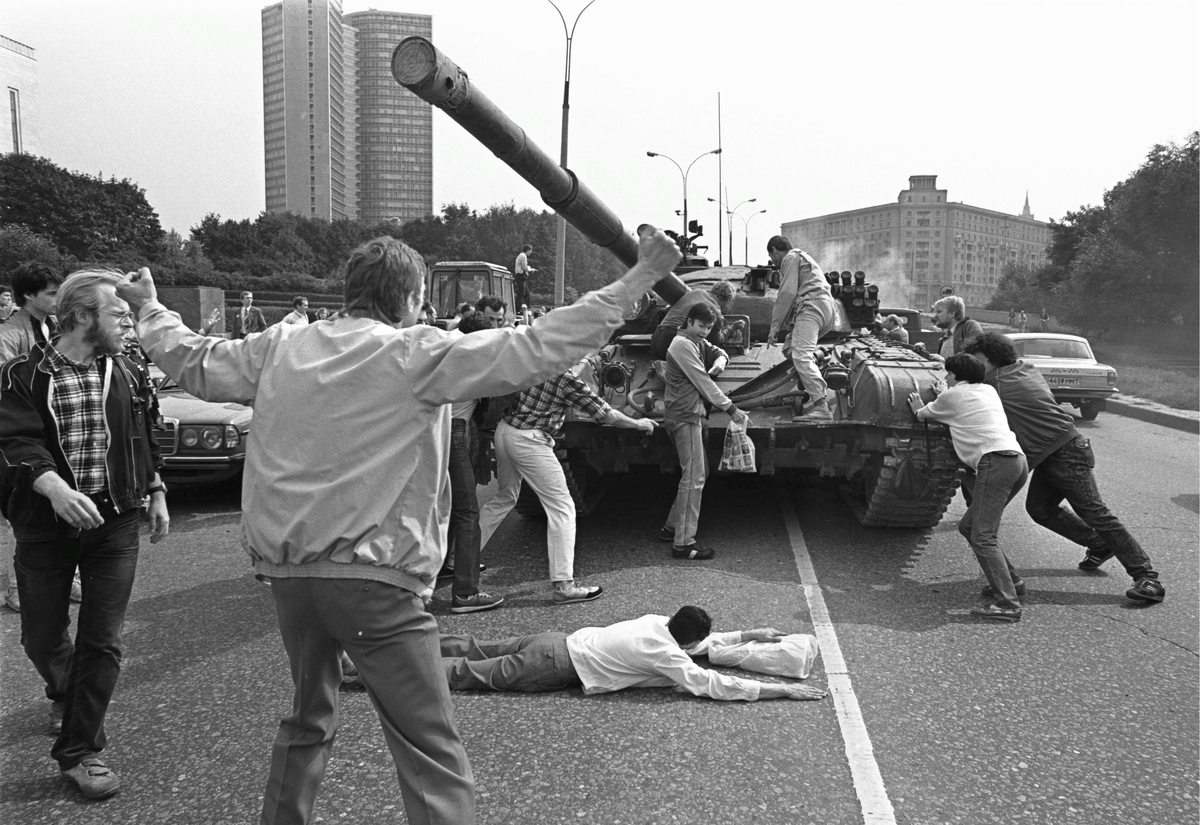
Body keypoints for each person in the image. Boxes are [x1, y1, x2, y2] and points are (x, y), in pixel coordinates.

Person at [116, 227, 684, 825]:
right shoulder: (414, 353)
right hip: (374, 583)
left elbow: (194, 360)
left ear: (351, 290)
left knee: (309, 719)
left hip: (288, 575)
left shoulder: (278, 346)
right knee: (431, 751)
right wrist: (639, 276)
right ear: (411, 296)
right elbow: (538, 346)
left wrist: (150, 305)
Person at [0, 269, 169, 800]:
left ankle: (79, 751)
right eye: (119, 313)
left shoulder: (130, 369)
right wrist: (52, 488)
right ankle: (66, 693)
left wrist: (157, 488)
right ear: (80, 317)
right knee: (42, 636)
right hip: (46, 523)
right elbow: (16, 439)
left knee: (103, 641)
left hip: (114, 522)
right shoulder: (21, 375)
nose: (128, 322)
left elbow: (145, 432)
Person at [962, 332, 1166, 604]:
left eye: (977, 361)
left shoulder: (996, 384)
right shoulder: (1024, 369)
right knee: (1040, 509)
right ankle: (1098, 544)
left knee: (1095, 512)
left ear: (994, 360)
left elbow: (967, 394)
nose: (974, 367)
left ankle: (1147, 577)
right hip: (1054, 450)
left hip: (1065, 451)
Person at [478, 364, 656, 605]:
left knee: (505, 497)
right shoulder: (564, 377)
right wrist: (639, 424)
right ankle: (564, 586)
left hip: (506, 430)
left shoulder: (530, 360)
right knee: (562, 509)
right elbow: (606, 414)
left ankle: (458, 559)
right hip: (530, 440)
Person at [440, 605, 827, 702]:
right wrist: (779, 690)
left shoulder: (658, 622)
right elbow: (710, 683)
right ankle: (390, 671)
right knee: (467, 675)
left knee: (473, 647)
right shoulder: (667, 655)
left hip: (553, 640)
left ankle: (407, 639)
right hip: (554, 664)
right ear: (686, 644)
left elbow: (704, 645)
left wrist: (747, 633)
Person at [908, 353, 1028, 622]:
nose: (946, 378)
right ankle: (1013, 583)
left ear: (956, 376)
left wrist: (920, 404)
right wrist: (946, 393)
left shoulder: (952, 397)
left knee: (983, 536)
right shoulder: (987, 390)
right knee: (970, 527)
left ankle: (1008, 604)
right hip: (1016, 461)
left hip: (994, 463)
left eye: (948, 374)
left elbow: (921, 414)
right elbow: (962, 402)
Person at [660, 302, 748, 560]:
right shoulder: (682, 345)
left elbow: (718, 350)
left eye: (709, 328)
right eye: (701, 326)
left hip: (688, 414)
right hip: (684, 417)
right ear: (689, 322)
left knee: (698, 473)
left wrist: (721, 360)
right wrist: (730, 408)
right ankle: (683, 544)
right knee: (694, 477)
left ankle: (671, 527)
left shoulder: (695, 341)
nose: (704, 331)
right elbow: (702, 380)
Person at [1, 262, 66, 614]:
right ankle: (15, 589)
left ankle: (65, 578)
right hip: (21, 440)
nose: (59, 298)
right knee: (20, 515)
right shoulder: (7, 337)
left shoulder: (54, 326)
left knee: (56, 511)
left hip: (53, 435)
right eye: (52, 292)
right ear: (28, 295)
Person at [443, 312, 501, 613]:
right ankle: (465, 592)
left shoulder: (449, 350)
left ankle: (444, 565)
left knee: (447, 506)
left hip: (437, 431)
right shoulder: (475, 362)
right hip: (454, 432)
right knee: (468, 511)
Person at [766, 236, 838, 421]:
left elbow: (787, 292)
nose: (773, 262)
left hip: (810, 307)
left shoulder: (790, 258)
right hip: (825, 310)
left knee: (800, 355)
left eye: (771, 256)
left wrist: (774, 327)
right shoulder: (804, 257)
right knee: (790, 348)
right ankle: (813, 365)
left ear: (775, 250)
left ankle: (821, 406)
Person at [650, 280, 743, 360]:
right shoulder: (715, 312)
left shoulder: (695, 292)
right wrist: (732, 329)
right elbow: (716, 341)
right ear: (729, 299)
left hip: (655, 340)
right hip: (673, 344)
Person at [914, 295, 983, 363]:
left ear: (952, 313)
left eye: (939, 312)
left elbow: (975, 357)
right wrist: (923, 353)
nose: (935, 316)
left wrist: (945, 362)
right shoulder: (943, 340)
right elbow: (940, 364)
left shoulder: (970, 326)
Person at [514, 244, 534, 309]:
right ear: (528, 250)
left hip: (521, 275)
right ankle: (518, 308)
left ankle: (527, 308)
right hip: (521, 276)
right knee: (521, 293)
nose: (530, 252)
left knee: (526, 293)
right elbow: (524, 267)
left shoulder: (521, 255)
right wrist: (531, 270)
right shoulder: (523, 256)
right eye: (530, 251)